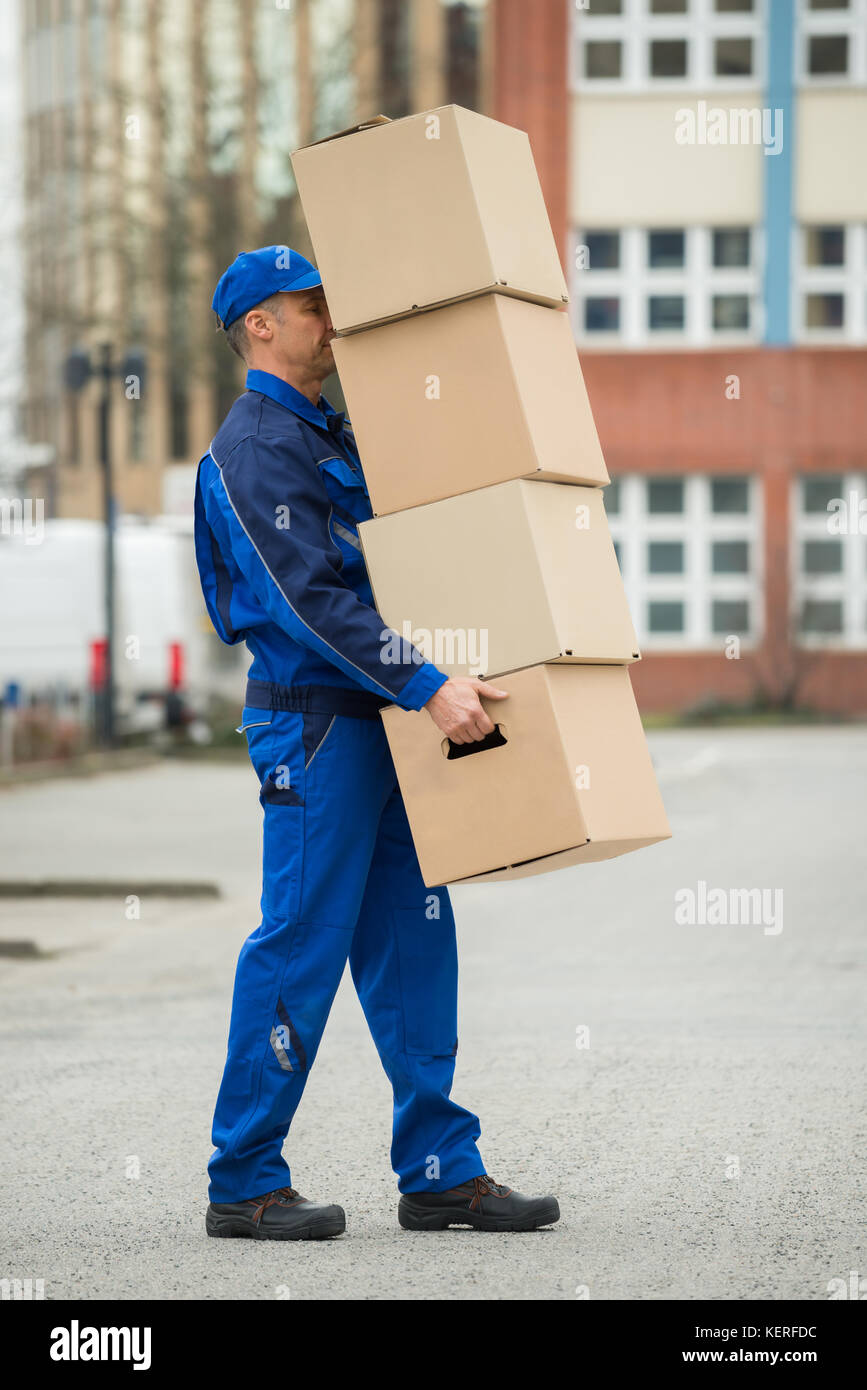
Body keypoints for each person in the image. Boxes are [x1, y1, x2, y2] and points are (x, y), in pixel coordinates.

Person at [194, 244, 560, 1238]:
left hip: (381, 716)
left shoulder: (332, 433)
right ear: (259, 324)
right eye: (312, 305)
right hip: (315, 725)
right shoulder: (252, 447)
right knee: (298, 943)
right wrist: (427, 684)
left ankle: (440, 1169)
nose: (332, 319)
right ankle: (244, 1179)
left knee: (414, 937)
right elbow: (307, 603)